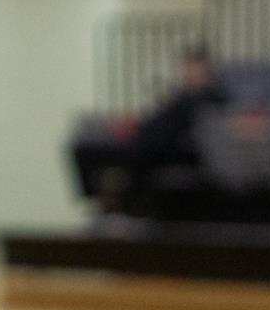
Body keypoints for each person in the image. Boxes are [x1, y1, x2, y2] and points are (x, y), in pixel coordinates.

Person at [69, 43, 228, 210]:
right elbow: (159, 122)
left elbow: (179, 133)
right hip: (144, 142)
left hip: (153, 152)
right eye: (185, 67)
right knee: (86, 135)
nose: (186, 72)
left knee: (84, 151)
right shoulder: (185, 95)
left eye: (191, 67)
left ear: (204, 68)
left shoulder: (206, 97)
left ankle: (104, 201)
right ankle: (106, 200)